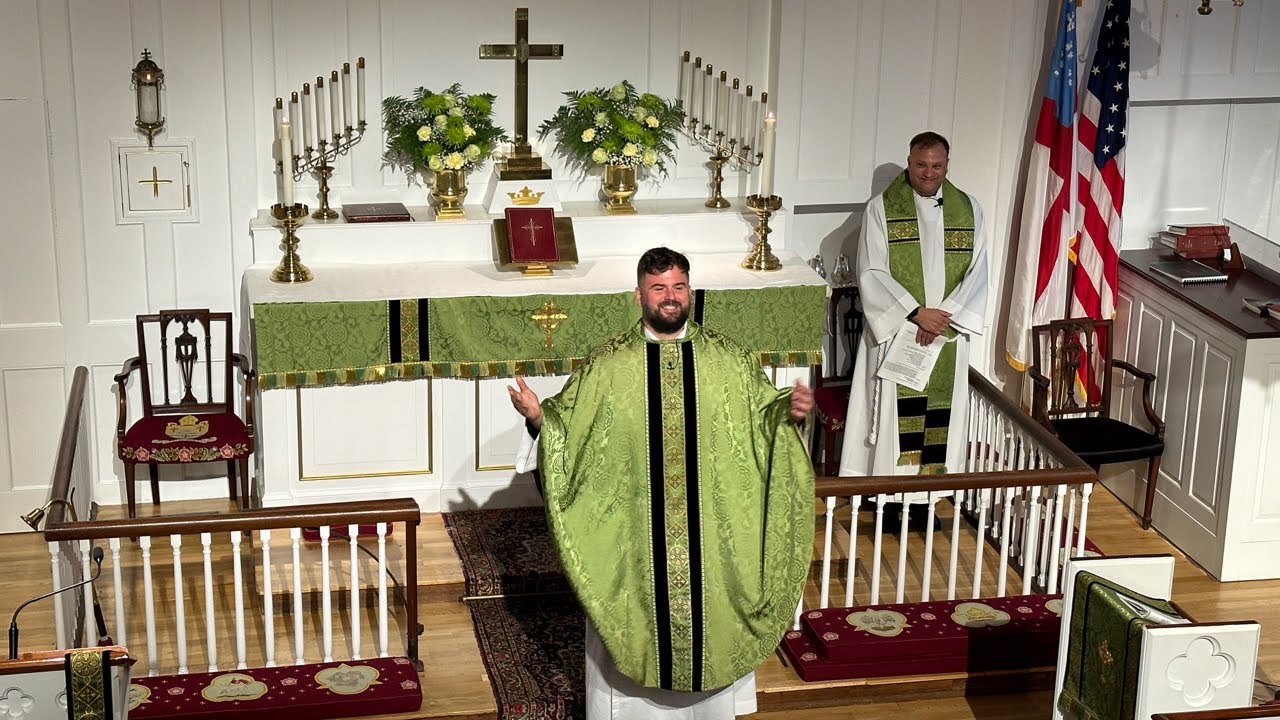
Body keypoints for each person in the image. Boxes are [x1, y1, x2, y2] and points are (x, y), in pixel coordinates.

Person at [507, 247, 815, 719]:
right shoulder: (608, 366)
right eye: (659, 289)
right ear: (638, 296)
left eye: (678, 287)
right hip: (636, 540)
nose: (670, 298)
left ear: (690, 291)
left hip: (712, 541)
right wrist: (538, 418)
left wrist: (783, 411)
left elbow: (759, 414)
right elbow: (568, 427)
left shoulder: (728, 359)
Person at [838, 131, 989, 480]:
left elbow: (978, 271)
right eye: (921, 164)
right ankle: (890, 498)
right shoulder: (881, 208)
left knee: (939, 416)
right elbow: (871, 270)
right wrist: (918, 314)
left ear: (948, 165)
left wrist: (943, 318)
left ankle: (927, 498)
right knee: (895, 420)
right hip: (900, 330)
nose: (928, 172)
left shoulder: (969, 209)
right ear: (909, 162)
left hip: (945, 333)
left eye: (937, 165)